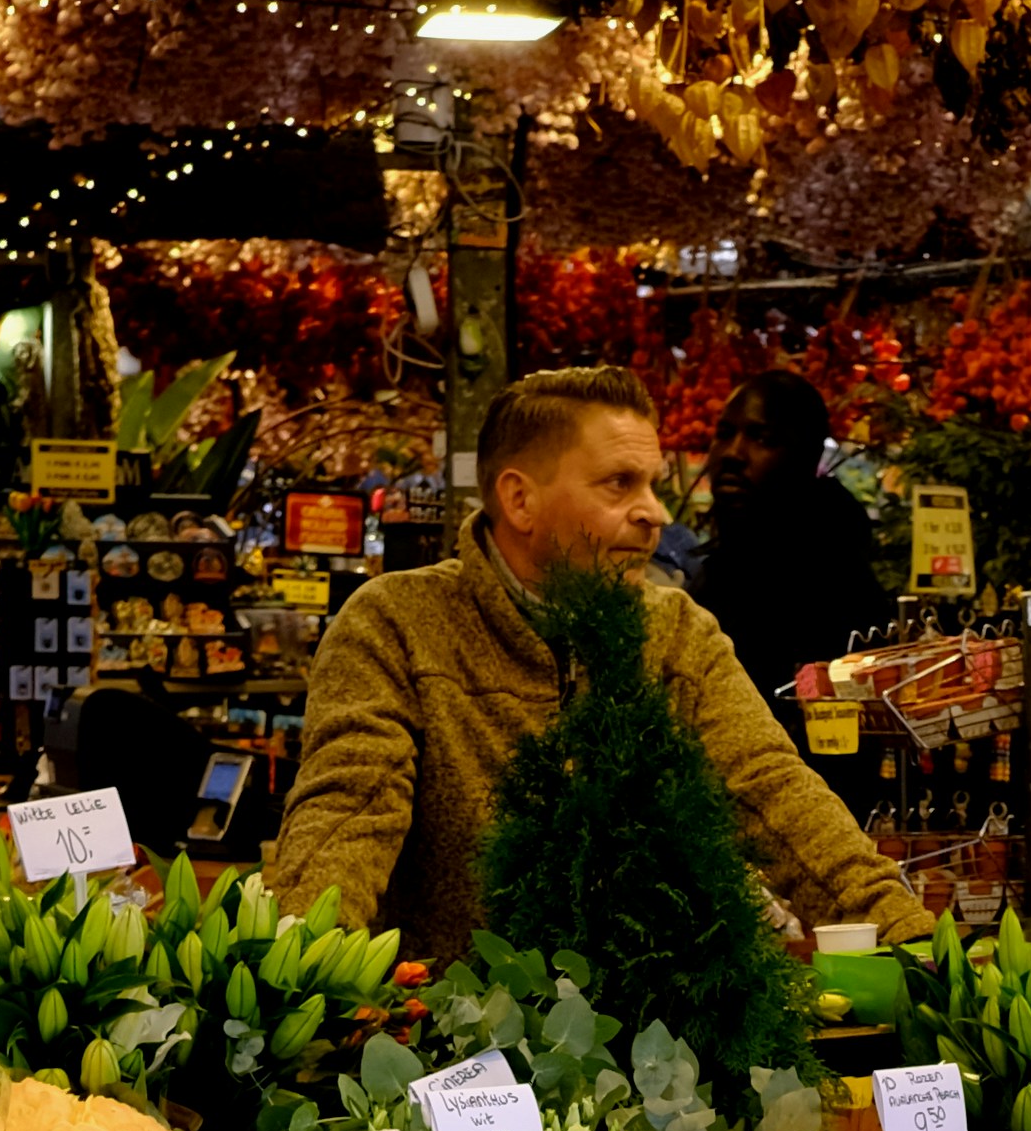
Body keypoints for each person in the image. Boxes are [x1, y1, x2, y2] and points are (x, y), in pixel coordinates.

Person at [265, 361, 919, 958]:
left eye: (654, 485)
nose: (654, 514)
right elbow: (347, 814)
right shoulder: (398, 624)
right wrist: (303, 978)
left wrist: (911, 934)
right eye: (619, 484)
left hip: (652, 1058)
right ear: (519, 498)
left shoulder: (674, 632)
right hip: (449, 1058)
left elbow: (774, 791)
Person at [690, 366, 891, 731]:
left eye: (762, 438)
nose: (732, 453)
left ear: (806, 457)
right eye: (724, 434)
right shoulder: (721, 570)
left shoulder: (835, 583)